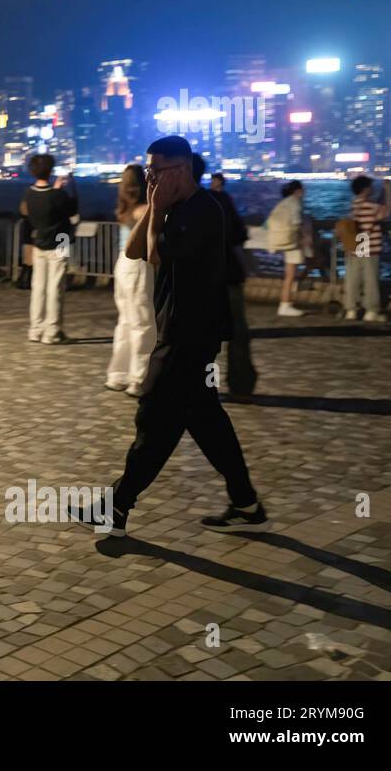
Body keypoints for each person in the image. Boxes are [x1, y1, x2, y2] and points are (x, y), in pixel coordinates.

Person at [72, 136, 268, 537]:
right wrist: (155, 208)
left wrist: (157, 209)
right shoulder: (172, 207)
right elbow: (132, 251)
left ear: (179, 171)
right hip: (177, 328)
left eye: (155, 170)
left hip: (189, 332)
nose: (149, 177)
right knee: (205, 421)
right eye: (147, 170)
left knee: (154, 417)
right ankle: (246, 503)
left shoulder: (203, 211)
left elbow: (158, 254)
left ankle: (117, 505)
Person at [202, 161, 257, 397]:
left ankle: (206, 386)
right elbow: (239, 233)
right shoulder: (223, 201)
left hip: (201, 279)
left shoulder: (183, 205)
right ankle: (241, 383)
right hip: (228, 273)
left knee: (203, 338)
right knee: (236, 333)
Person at [105, 164, 154, 396]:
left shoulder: (124, 208)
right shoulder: (144, 210)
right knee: (143, 323)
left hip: (122, 264)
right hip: (138, 265)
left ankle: (118, 374)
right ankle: (139, 378)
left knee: (125, 321)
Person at [20, 155, 78, 343]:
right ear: (51, 170)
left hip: (40, 241)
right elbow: (72, 209)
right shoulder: (57, 195)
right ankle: (52, 331)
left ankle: (35, 328)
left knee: (38, 287)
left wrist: (55, 190)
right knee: (56, 287)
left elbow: (45, 203)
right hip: (60, 240)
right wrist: (70, 187)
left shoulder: (29, 193)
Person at [342, 175, 391, 322]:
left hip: (356, 244)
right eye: (370, 186)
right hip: (369, 245)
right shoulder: (370, 206)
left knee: (353, 279)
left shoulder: (354, 204)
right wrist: (388, 190)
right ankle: (371, 311)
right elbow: (387, 211)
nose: (372, 188)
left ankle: (351, 309)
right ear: (365, 189)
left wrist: (383, 191)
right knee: (371, 280)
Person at [266, 180, 307, 317]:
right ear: (297, 191)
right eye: (302, 189)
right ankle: (285, 303)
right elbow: (297, 222)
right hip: (293, 241)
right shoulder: (295, 202)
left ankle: (287, 302)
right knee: (290, 275)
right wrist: (306, 237)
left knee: (290, 274)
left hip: (284, 239)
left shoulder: (284, 202)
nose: (304, 192)